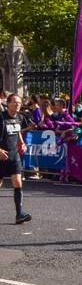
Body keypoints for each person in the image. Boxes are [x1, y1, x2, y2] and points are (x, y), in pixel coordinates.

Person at [0, 93, 31, 223]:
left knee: (18, 183)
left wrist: (22, 143)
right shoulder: (1, 118)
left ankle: (19, 214)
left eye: (19, 102)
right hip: (1, 156)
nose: (18, 104)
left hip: (14, 155)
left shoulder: (19, 117)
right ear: (8, 104)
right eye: (15, 102)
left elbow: (18, 131)